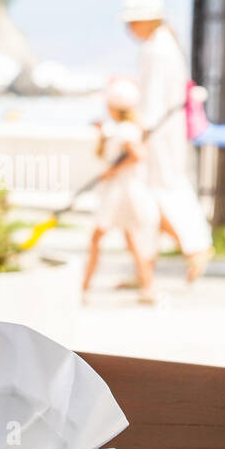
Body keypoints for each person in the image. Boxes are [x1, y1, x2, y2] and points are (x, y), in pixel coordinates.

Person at [120, 0, 214, 282]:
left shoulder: (157, 49)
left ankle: (195, 247)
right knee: (160, 193)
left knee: (164, 191)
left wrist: (138, 133)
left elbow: (153, 100)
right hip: (163, 130)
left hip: (159, 133)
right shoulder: (163, 45)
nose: (129, 27)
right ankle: (148, 266)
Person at [82, 77, 158, 304]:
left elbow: (137, 155)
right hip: (126, 191)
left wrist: (112, 171)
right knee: (133, 239)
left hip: (120, 192)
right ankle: (147, 287)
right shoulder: (128, 129)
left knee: (98, 237)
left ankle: (83, 288)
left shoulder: (124, 130)